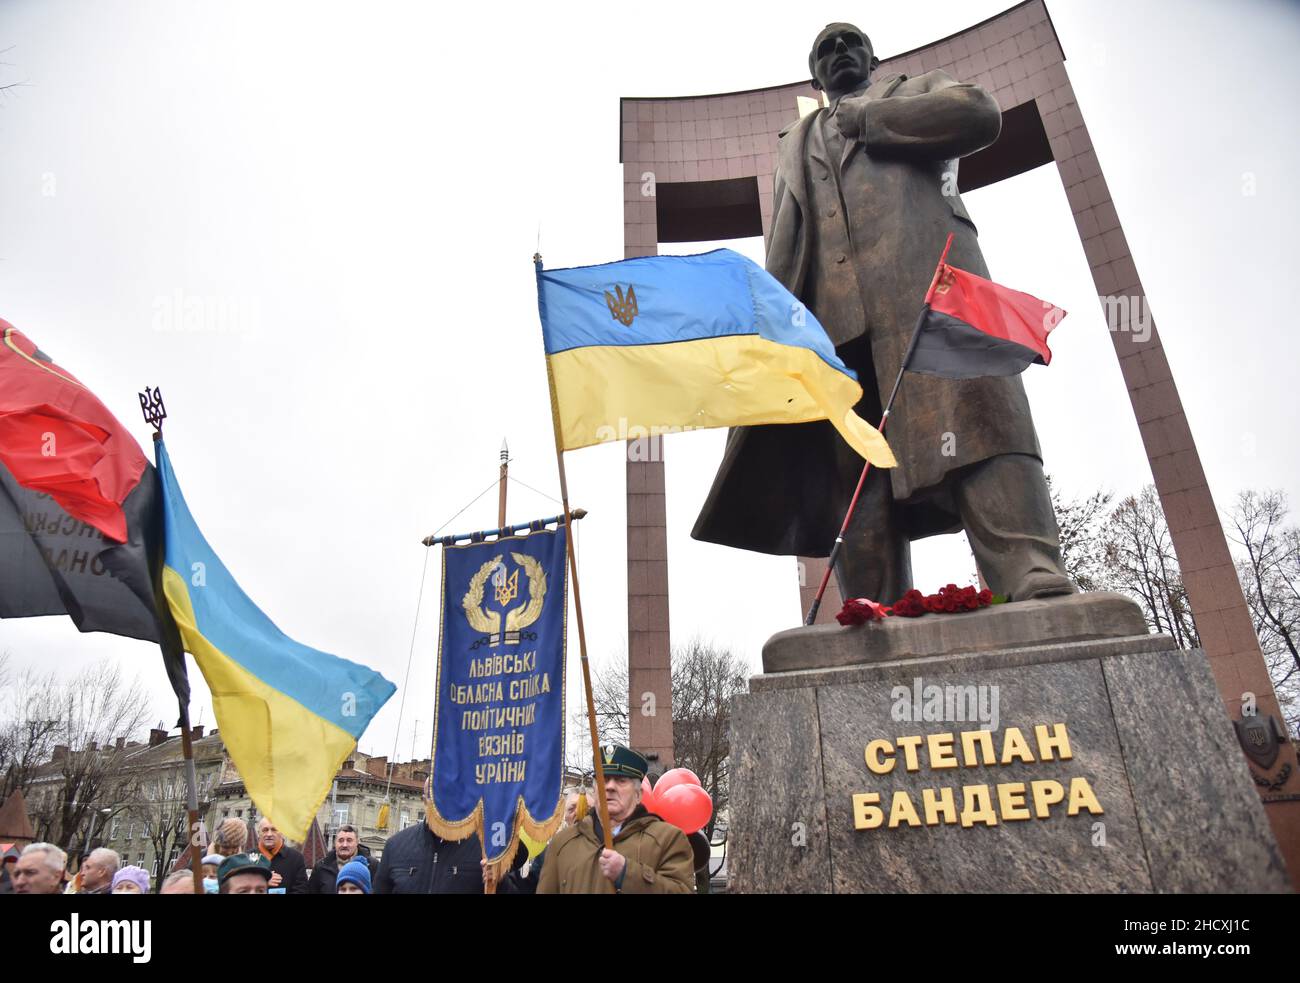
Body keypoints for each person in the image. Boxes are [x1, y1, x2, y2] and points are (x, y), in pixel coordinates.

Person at [693, 22, 1074, 606]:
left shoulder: (912, 91)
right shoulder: (793, 143)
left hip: (928, 293)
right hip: (833, 323)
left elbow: (979, 114)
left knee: (980, 419)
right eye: (826, 49)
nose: (840, 52)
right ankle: (871, 604)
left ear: (874, 56)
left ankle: (1027, 566)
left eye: (850, 43)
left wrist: (870, 120)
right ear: (814, 75)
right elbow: (786, 246)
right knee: (853, 468)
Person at [536, 746, 695, 894]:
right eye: (603, 780)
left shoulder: (668, 839)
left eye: (621, 780)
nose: (610, 787)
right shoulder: (563, 842)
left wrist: (627, 874)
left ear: (638, 794)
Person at [375, 777, 526, 894]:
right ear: (424, 800)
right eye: (434, 795)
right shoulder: (395, 846)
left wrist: (498, 882)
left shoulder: (488, 845)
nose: (441, 803)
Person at [306, 824, 375, 894]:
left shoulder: (372, 865)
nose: (344, 845)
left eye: (349, 840)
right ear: (335, 842)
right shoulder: (321, 867)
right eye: (341, 840)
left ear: (357, 842)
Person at [255, 817, 308, 894]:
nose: (269, 834)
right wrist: (262, 883)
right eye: (265, 830)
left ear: (282, 833)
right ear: (258, 833)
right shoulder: (247, 857)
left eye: (274, 830)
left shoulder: (296, 858)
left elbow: (301, 890)